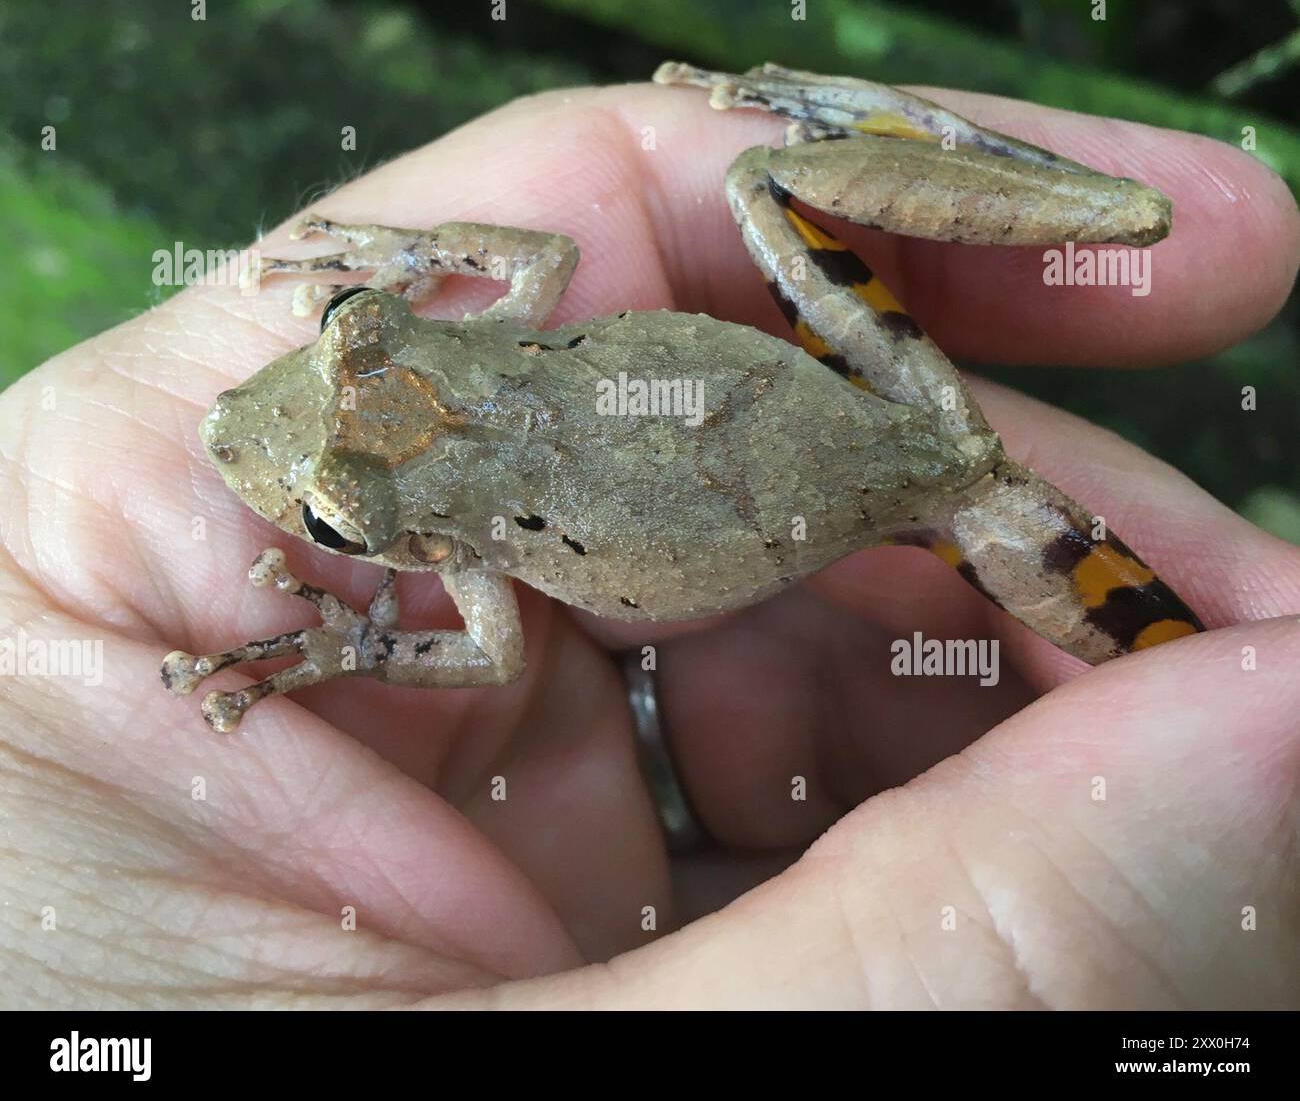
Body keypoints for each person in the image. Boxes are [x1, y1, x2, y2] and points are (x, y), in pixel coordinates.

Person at [1, 79, 1297, 1009]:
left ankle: (1238, 754)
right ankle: (963, 155)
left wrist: (354, 642)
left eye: (355, 322)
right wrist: (415, 264)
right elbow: (545, 256)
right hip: (905, 418)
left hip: (939, 490)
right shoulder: (502, 360)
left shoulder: (466, 545)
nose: (237, 420)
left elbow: (490, 656)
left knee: (1214, 709)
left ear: (384, 335)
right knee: (758, 179)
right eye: (349, 515)